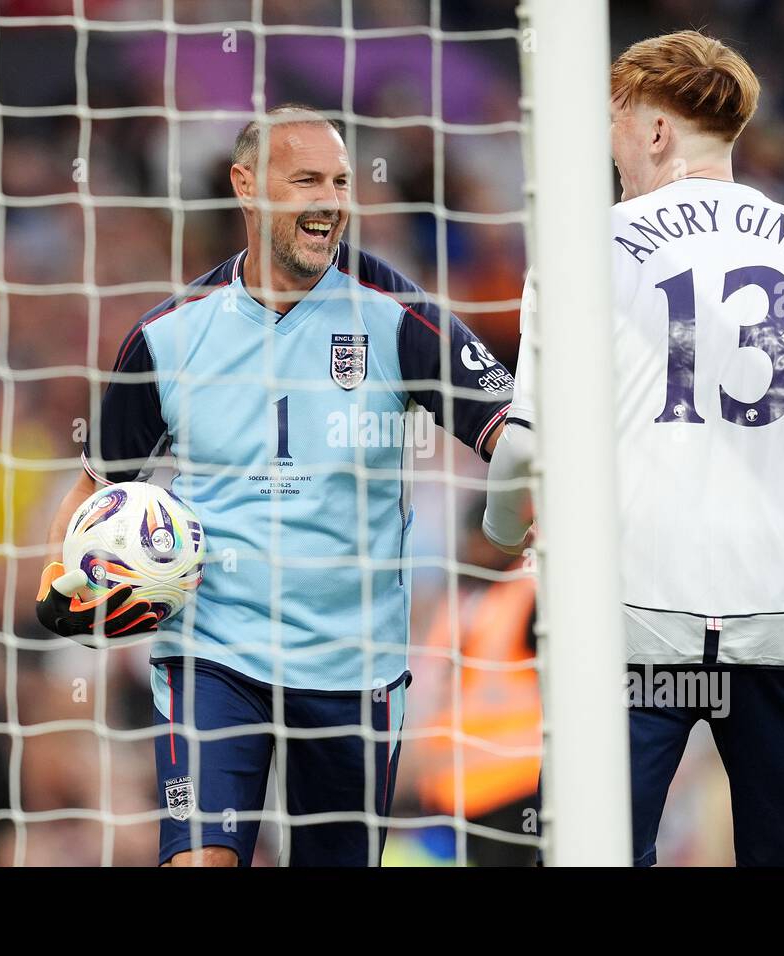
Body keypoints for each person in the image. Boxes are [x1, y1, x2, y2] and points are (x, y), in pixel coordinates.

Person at [484, 31, 784, 866]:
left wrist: (502, 528)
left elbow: (522, 452)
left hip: (631, 635)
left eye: (618, 127)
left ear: (658, 131)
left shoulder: (583, 248)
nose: (615, 152)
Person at [36, 104, 513, 866]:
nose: (329, 201)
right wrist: (63, 582)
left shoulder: (399, 319)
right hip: (215, 657)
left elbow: (514, 437)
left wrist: (528, 519)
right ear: (247, 186)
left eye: (340, 182)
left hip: (353, 668)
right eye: (306, 181)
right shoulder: (168, 336)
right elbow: (96, 487)